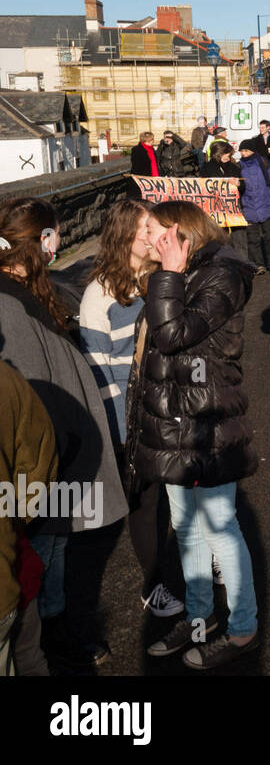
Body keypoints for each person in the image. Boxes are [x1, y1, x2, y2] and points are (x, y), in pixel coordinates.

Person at [127, 200, 260, 669]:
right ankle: (200, 618)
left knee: (220, 529)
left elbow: (173, 335)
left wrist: (169, 273)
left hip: (208, 421)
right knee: (186, 528)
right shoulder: (184, 270)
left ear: (182, 234)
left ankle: (243, 627)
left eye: (156, 231)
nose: (149, 239)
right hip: (174, 422)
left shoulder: (221, 274)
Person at [0, 197, 128, 670]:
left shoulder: (28, 289)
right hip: (47, 468)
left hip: (57, 459)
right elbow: (32, 391)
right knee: (46, 563)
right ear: (42, 240)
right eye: (52, 233)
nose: (58, 243)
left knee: (54, 557)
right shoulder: (8, 304)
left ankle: (59, 639)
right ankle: (58, 648)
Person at [80, 200, 184, 619]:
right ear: (126, 235)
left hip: (165, 407)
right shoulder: (97, 295)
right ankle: (153, 585)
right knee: (143, 503)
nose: (156, 236)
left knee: (175, 491)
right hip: (128, 417)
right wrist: (119, 433)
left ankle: (201, 558)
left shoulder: (157, 280)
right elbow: (98, 372)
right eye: (147, 229)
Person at [0, 361, 58, 676]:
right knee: (30, 658)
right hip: (14, 576)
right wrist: (13, 520)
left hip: (13, 579)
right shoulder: (7, 378)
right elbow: (38, 464)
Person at [237, 138, 270, 275]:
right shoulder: (239, 166)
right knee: (253, 239)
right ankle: (258, 265)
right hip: (249, 207)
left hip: (266, 204)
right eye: (242, 151)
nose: (244, 153)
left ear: (253, 150)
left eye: (246, 150)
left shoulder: (264, 163)